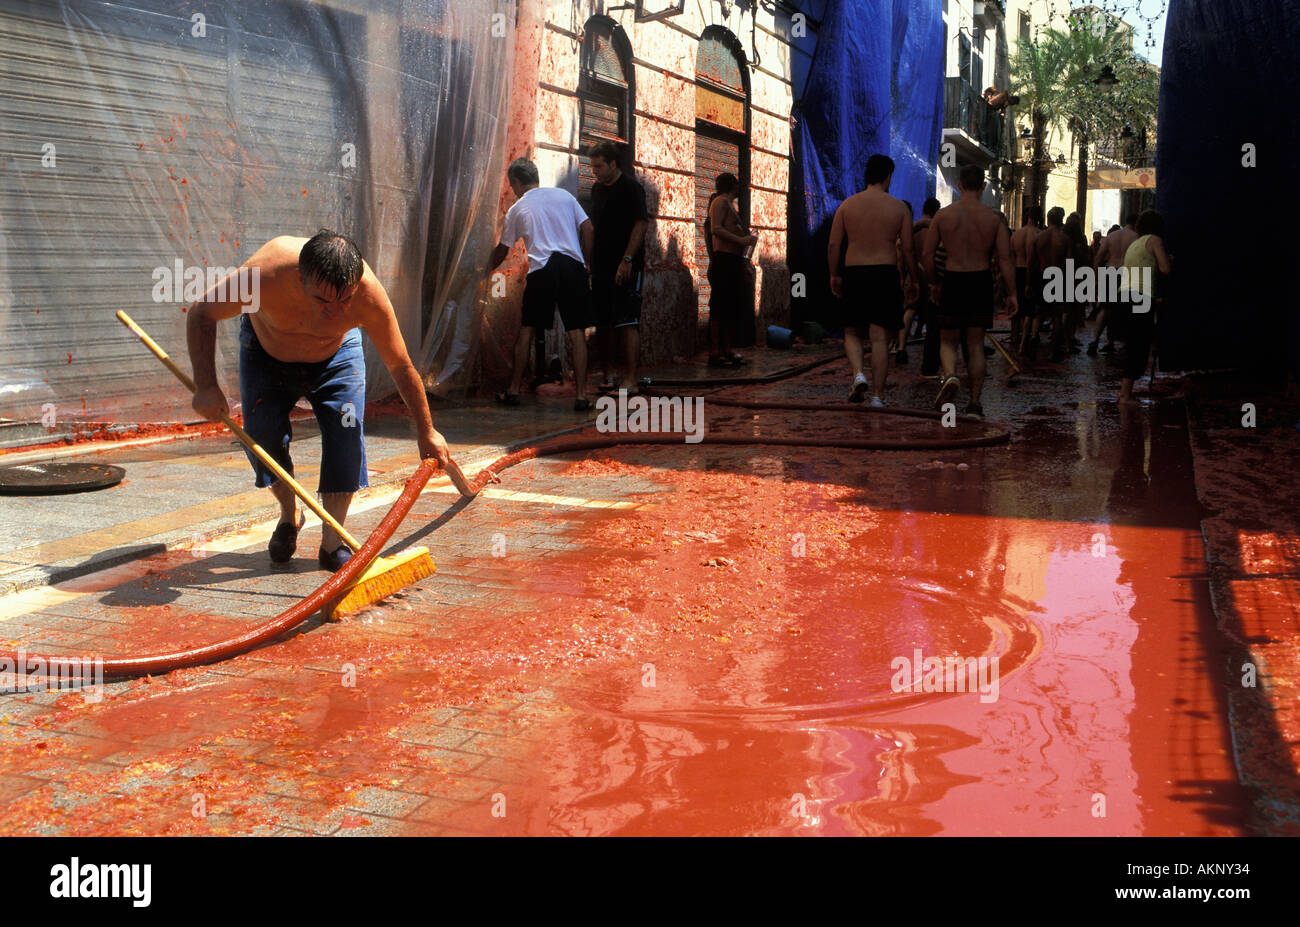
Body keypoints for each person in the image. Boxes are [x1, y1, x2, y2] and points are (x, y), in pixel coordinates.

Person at [187, 229, 452, 571]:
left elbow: (400, 365)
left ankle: (332, 543)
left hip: (336, 356)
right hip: (266, 354)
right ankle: (288, 513)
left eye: (344, 301)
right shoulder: (265, 275)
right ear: (300, 278)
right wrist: (205, 385)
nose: (334, 311)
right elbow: (201, 312)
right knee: (261, 436)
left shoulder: (369, 296)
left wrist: (426, 430)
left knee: (346, 429)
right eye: (323, 301)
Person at [488, 158, 595, 411]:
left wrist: (483, 271)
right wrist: (585, 262)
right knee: (577, 332)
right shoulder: (565, 196)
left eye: (511, 184)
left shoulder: (517, 208)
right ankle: (581, 396)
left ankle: (513, 390)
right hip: (572, 266)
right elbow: (589, 228)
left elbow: (503, 251)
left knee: (527, 330)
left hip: (542, 270)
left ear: (516, 182)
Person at [923, 164, 1016, 419]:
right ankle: (974, 404)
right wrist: (1012, 294)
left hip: (953, 279)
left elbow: (927, 254)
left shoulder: (943, 216)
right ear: (983, 186)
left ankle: (951, 374)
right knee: (975, 344)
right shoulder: (994, 218)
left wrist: (934, 282)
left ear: (960, 185)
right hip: (980, 280)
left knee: (948, 340)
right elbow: (1005, 259)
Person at [827, 154, 920, 406]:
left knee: (852, 330)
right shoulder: (899, 207)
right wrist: (915, 279)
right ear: (888, 176)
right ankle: (878, 396)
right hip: (885, 274)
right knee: (880, 337)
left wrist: (834, 274)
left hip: (855, 272)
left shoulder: (847, 205)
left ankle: (858, 373)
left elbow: (834, 244)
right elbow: (909, 250)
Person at [587, 142, 649, 393]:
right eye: (593, 167)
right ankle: (608, 375)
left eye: (599, 166)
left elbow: (641, 225)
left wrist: (627, 260)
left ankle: (631, 379)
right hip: (601, 265)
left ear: (613, 164)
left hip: (626, 265)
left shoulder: (632, 188)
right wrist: (588, 262)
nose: (595, 172)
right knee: (604, 322)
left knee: (627, 321)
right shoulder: (596, 190)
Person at [1118, 209, 1172, 404]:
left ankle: (1126, 391)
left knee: (1134, 342)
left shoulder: (1136, 244)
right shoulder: (1155, 241)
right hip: (1140, 296)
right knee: (1138, 344)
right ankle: (1125, 394)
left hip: (1125, 295)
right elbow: (1165, 269)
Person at [705, 173, 757, 367]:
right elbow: (716, 229)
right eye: (736, 184)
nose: (738, 188)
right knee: (719, 307)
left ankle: (727, 349)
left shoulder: (729, 205)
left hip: (734, 261)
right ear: (731, 185)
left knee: (731, 307)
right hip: (723, 260)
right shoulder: (719, 202)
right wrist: (742, 240)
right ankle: (715, 352)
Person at [1089, 214, 1137, 355]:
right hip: (1126, 273)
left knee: (1105, 309)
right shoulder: (1136, 237)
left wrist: (1096, 277)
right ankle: (1125, 343)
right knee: (1127, 309)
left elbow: (1098, 257)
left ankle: (1095, 341)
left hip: (1110, 271)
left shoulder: (1111, 236)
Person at [1027, 206, 1071, 361]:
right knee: (1057, 315)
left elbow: (1031, 262)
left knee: (1039, 312)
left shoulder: (1039, 238)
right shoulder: (1064, 239)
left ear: (1048, 219)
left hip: (1041, 274)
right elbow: (1068, 262)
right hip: (1057, 275)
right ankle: (1054, 349)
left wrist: (1028, 283)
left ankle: (1033, 338)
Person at [914, 198, 944, 376]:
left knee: (912, 309)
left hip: (916, 271)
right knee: (934, 321)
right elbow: (931, 253)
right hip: (932, 274)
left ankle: (901, 344)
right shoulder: (936, 228)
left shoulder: (915, 228)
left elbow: (905, 248)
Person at [1009, 206, 1042, 354]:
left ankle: (1014, 335)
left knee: (1016, 303)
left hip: (1016, 270)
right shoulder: (1038, 234)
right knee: (1030, 308)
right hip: (1031, 273)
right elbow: (1031, 260)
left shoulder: (1016, 234)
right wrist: (1029, 282)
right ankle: (1026, 337)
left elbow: (1009, 257)